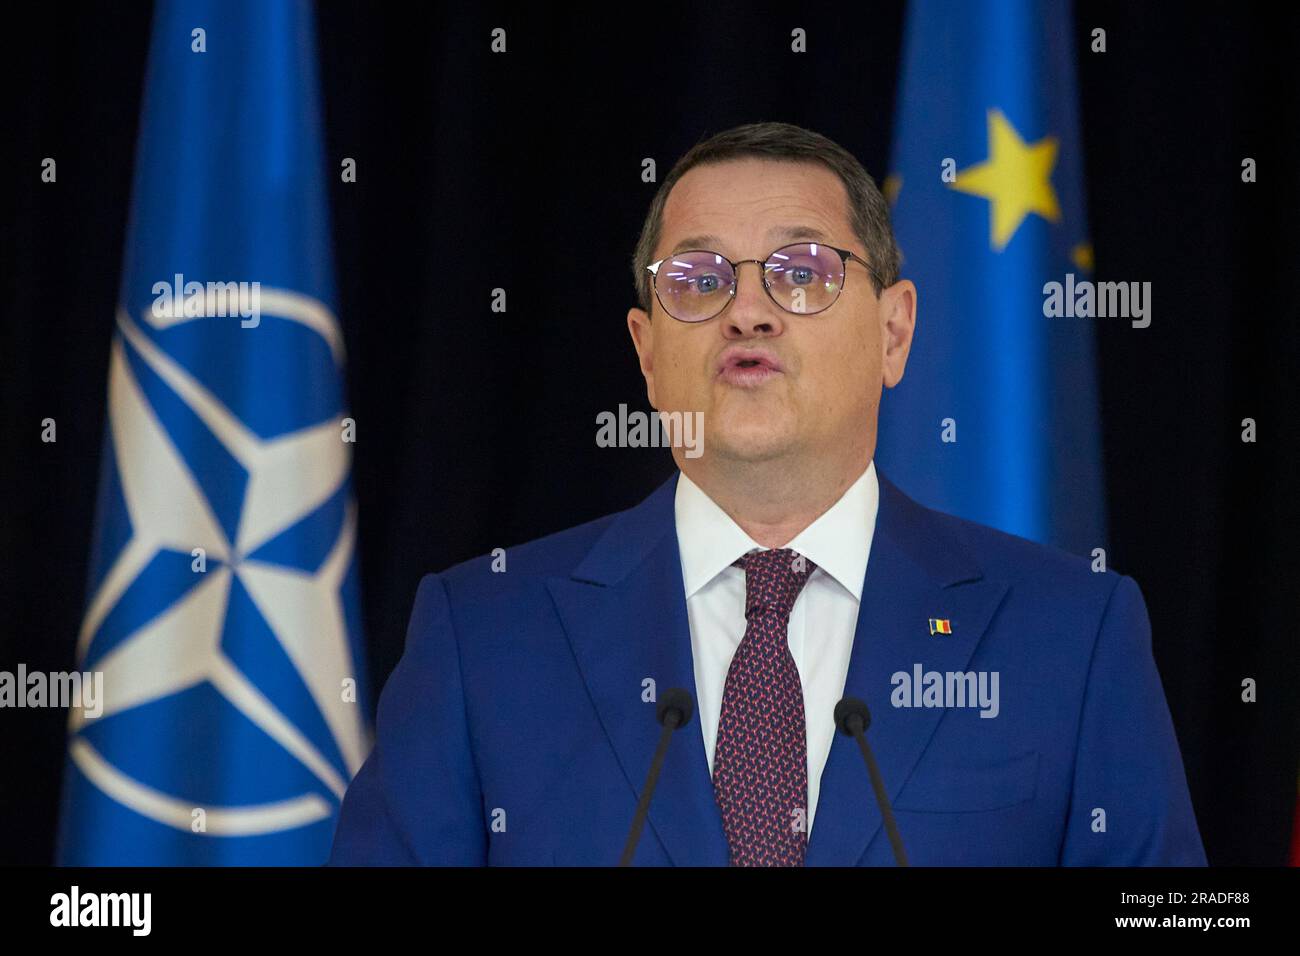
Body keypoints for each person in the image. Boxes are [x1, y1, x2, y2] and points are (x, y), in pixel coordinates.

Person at [328, 121, 1206, 866]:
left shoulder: (1071, 633)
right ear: (643, 350)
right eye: (700, 282)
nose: (749, 311)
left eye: (803, 271)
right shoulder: (483, 634)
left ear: (894, 330)